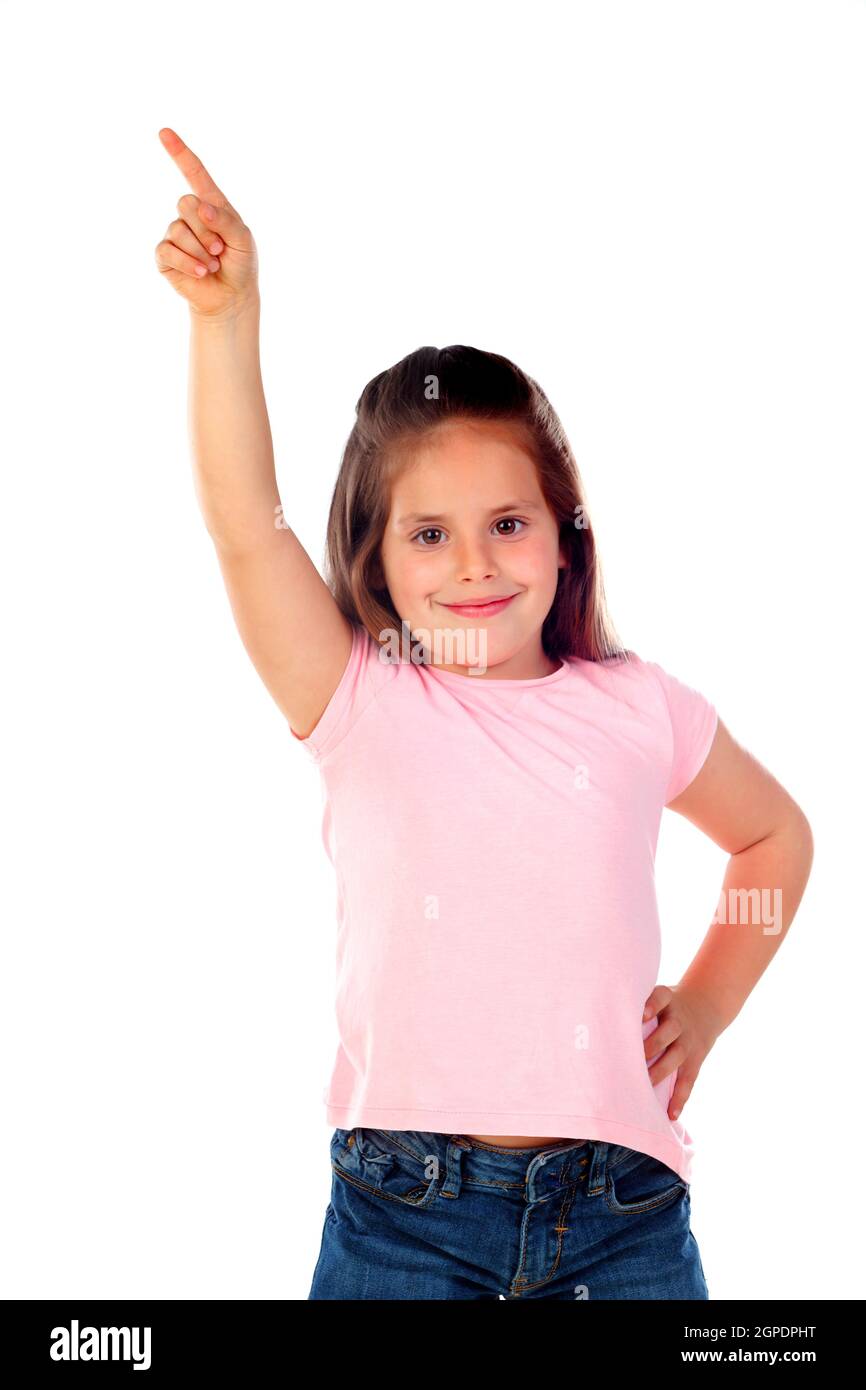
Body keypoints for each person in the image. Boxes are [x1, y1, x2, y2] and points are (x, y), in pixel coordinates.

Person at [154, 128, 815, 1300]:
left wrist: (708, 1001)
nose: (473, 564)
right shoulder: (357, 696)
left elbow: (773, 837)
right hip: (402, 1216)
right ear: (374, 556)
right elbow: (244, 522)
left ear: (563, 536)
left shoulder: (641, 707)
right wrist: (225, 320)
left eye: (507, 523)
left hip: (621, 1218)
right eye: (428, 533)